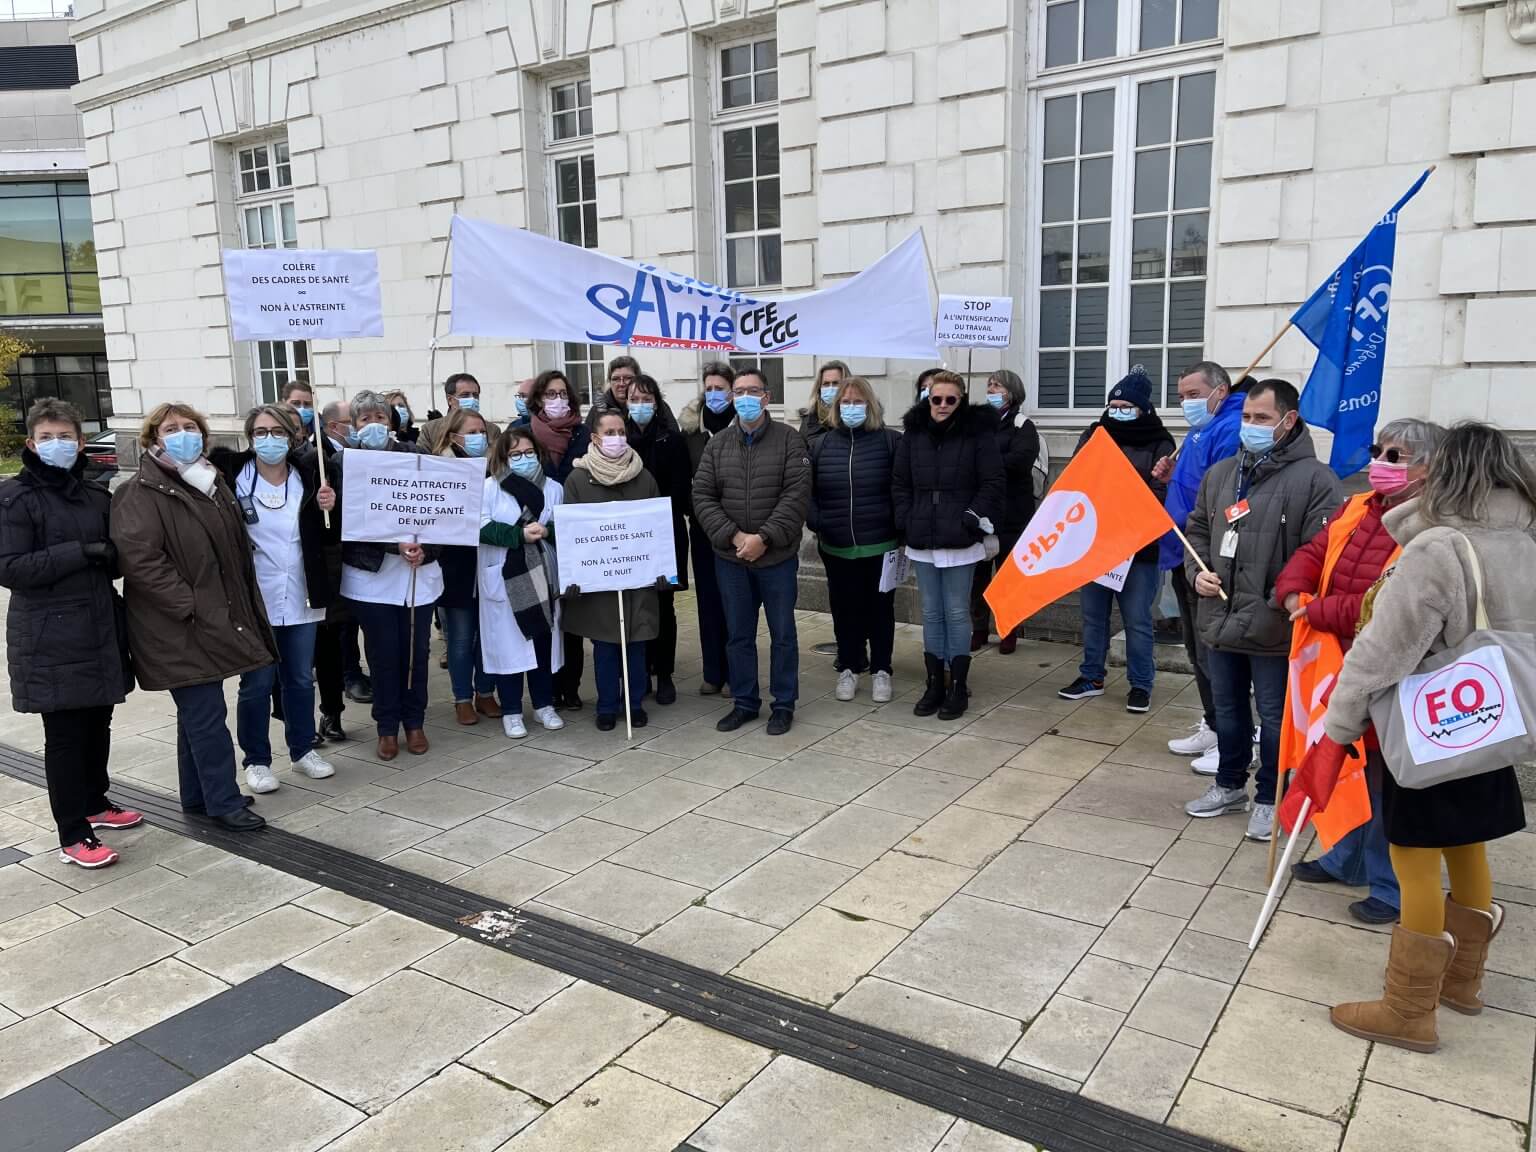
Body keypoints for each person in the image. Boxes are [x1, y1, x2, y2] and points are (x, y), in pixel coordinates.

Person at [1321, 422, 1530, 1052]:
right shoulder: (1526, 541)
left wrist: (1340, 725)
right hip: (1495, 720)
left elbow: (1383, 652)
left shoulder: (1438, 548)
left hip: (1433, 725)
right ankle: (1463, 984)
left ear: (1447, 473)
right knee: (1468, 847)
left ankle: (1408, 1009)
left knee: (1413, 856)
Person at [1275, 420, 1445, 924]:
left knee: (1386, 781)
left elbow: (1389, 604)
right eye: (1379, 451)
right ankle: (1345, 856)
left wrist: (1316, 611)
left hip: (1395, 668)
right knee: (1344, 763)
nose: (1381, 464)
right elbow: (1312, 553)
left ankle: (1391, 886)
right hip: (1341, 662)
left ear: (1428, 468)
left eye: (1396, 456)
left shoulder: (1433, 529)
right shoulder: (1357, 509)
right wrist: (1292, 591)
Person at [1182, 379, 1341, 842]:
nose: (1249, 427)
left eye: (1262, 419)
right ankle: (1229, 784)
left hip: (1274, 627)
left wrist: (1278, 600)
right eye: (1247, 418)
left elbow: (1320, 552)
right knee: (1228, 712)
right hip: (1220, 619)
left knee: (1275, 720)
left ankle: (1271, 797)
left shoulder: (1316, 480)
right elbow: (1196, 531)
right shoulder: (1223, 474)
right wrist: (1198, 575)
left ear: (1288, 421)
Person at [112, 402, 274, 831]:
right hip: (176, 626)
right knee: (206, 714)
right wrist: (191, 605)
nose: (183, 434)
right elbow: (142, 561)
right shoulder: (139, 491)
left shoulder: (208, 480)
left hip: (211, 619)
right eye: (172, 428)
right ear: (153, 439)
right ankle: (223, 801)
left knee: (197, 716)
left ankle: (199, 796)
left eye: (190, 427)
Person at [0, 398, 140, 868]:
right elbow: (10, 567)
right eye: (47, 437)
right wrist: (79, 552)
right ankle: (73, 833)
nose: (56, 444)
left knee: (98, 723)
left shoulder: (96, 496)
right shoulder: (16, 498)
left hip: (98, 627)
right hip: (48, 636)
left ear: (81, 442)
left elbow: (116, 556)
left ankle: (96, 803)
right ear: (31, 443)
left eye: (65, 436)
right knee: (64, 735)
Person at [209, 405, 339, 794]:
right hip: (254, 598)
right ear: (250, 436)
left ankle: (302, 750)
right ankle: (257, 760)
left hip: (301, 592)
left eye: (278, 432)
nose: (270, 439)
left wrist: (330, 508)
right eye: (261, 432)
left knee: (300, 678)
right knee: (257, 682)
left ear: (293, 436)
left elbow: (330, 536)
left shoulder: (311, 474)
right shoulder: (231, 475)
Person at [692, 367, 811, 735]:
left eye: (752, 391)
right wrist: (734, 537)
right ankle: (744, 702)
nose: (744, 397)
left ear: (766, 397)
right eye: (738, 391)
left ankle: (783, 704)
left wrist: (764, 538)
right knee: (738, 635)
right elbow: (703, 495)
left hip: (775, 558)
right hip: (732, 558)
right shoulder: (717, 444)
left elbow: (796, 495)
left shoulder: (790, 440)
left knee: (783, 634)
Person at [335, 389, 442, 760]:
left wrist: (427, 547)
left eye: (380, 418)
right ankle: (386, 726)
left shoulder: (417, 457)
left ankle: (414, 722)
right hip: (372, 577)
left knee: (416, 652)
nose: (374, 425)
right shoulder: (344, 464)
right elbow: (350, 523)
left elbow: (443, 511)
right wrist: (391, 545)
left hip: (417, 574)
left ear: (391, 422)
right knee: (383, 654)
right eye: (365, 420)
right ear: (354, 426)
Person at [1057, 371, 1174, 713]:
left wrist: (1121, 502)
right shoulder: (1096, 434)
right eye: (1113, 405)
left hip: (1138, 547)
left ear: (1143, 409)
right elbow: (1076, 477)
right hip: (1095, 541)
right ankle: (1091, 676)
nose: (1117, 411)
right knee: (1093, 616)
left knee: (1137, 619)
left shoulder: (1160, 441)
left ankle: (1141, 684)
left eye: (1126, 407)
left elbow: (1160, 492)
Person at [893, 370, 1004, 722]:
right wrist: (906, 518)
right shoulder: (912, 434)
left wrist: (970, 517)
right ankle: (934, 682)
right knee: (931, 611)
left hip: (960, 535)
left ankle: (957, 685)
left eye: (949, 399)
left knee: (956, 611)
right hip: (923, 533)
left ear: (961, 400)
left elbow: (992, 481)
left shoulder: (978, 434)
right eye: (934, 399)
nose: (941, 405)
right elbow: (899, 482)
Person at [1153, 363, 1245, 770]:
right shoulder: (1200, 428)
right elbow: (1195, 481)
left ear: (1220, 391)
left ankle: (1235, 735)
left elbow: (1221, 491)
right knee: (1195, 646)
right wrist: (1171, 476)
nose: (1186, 403)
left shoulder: (1230, 428)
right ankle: (1214, 723)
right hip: (1183, 548)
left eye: (1192, 393)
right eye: (1181, 396)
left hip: (1205, 553)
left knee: (1214, 650)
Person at [561, 410, 662, 731]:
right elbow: (570, 534)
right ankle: (606, 706)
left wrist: (662, 569)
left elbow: (657, 528)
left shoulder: (643, 477)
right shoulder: (578, 479)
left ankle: (632, 704)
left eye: (621, 431)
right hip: (599, 580)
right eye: (609, 432)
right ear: (595, 438)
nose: (617, 437)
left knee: (636, 642)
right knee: (605, 646)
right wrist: (573, 575)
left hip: (637, 577)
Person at [808, 375, 900, 705]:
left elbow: (900, 489)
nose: (851, 407)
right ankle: (848, 667)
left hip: (880, 543)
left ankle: (881, 670)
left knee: (879, 610)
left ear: (870, 405)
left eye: (857, 401)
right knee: (844, 610)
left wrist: (896, 526)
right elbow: (809, 491)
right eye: (844, 402)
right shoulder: (821, 444)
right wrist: (817, 521)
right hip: (836, 545)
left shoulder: (889, 441)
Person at [478, 426, 566, 738]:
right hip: (504, 574)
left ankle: (544, 705)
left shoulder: (553, 487)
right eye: (515, 454)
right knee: (508, 648)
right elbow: (479, 526)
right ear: (503, 457)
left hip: (542, 574)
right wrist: (516, 535)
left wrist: (547, 531)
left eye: (528, 453)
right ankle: (512, 710)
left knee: (542, 641)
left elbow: (565, 525)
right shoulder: (489, 488)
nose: (523, 458)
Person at [528, 370, 592, 710]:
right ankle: (545, 686)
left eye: (562, 393)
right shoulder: (521, 433)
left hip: (574, 536)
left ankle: (571, 686)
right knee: (541, 614)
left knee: (572, 615)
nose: (557, 400)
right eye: (550, 394)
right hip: (534, 538)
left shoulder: (582, 432)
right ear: (538, 398)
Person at [626, 374, 690, 706]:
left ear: (657, 401)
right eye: (634, 398)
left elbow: (681, 490)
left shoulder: (671, 439)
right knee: (635, 605)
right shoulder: (617, 437)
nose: (640, 405)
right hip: (628, 537)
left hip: (664, 532)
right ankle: (640, 672)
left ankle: (664, 674)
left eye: (646, 399)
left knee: (664, 606)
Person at [434, 407, 500, 726]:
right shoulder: (441, 471)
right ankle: (462, 697)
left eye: (481, 432)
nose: (478, 438)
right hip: (454, 567)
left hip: (487, 562)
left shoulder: (493, 468)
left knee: (488, 635)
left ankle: (485, 692)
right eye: (471, 432)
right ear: (453, 435)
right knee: (460, 639)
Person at [970, 369, 1041, 656]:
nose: (991, 389)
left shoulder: (1023, 425)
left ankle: (1008, 629)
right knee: (979, 574)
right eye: (989, 385)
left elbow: (1020, 460)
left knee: (1009, 575)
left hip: (1013, 512)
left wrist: (987, 463)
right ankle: (978, 628)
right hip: (983, 511)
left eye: (997, 385)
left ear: (1011, 392)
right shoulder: (979, 424)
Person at [679, 363, 735, 697]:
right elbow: (685, 480)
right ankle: (712, 671)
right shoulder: (692, 433)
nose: (713, 393)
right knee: (708, 602)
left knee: (735, 603)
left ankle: (734, 671)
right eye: (709, 388)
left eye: (720, 387)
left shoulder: (741, 426)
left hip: (736, 531)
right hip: (702, 528)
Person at [420, 373, 500, 454]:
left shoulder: (492, 430)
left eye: (475, 395)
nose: (472, 399)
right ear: (450, 399)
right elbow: (421, 461)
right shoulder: (430, 430)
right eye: (465, 395)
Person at [797, 360, 848, 441]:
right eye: (826, 384)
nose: (830, 388)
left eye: (836, 383)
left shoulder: (855, 417)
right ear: (819, 388)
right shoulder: (809, 419)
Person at [282, 379, 317, 445]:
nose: (302, 408)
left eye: (307, 404)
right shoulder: (274, 429)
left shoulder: (321, 430)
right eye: (296, 403)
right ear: (284, 402)